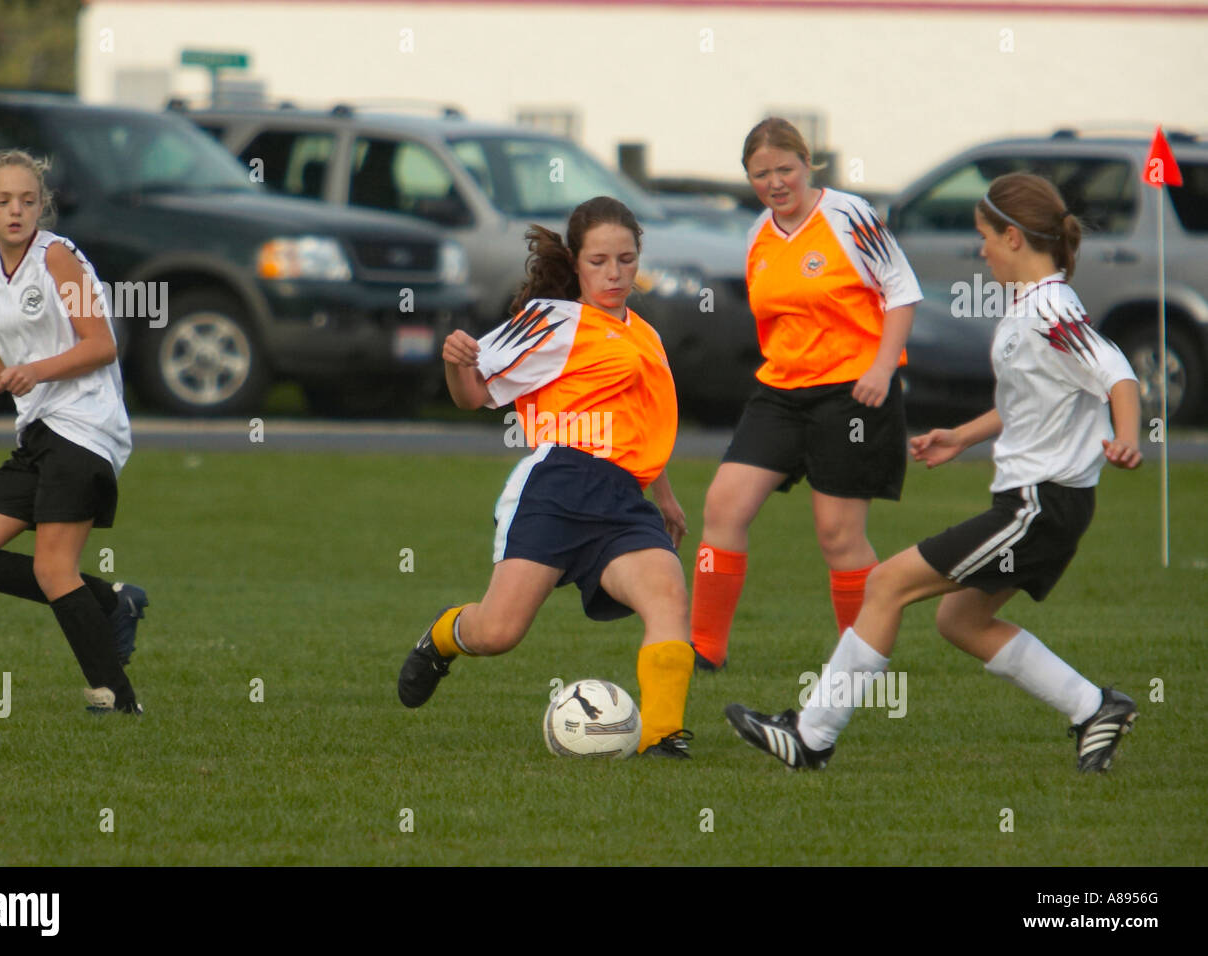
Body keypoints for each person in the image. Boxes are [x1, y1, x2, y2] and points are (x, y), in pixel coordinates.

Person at [725, 172, 1142, 772]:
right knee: (962, 620)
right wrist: (961, 437)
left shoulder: (1050, 307)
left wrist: (1127, 437)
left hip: (1036, 506)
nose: (983, 250)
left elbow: (1116, 372)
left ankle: (811, 735)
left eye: (986, 237)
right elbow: (1034, 398)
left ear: (1016, 239)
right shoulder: (1034, 305)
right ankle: (1093, 706)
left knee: (885, 583)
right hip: (1039, 503)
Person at [396, 196, 696, 757]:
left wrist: (666, 495)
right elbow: (473, 395)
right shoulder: (552, 321)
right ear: (577, 264)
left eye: (626, 260)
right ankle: (443, 636)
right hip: (557, 487)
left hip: (623, 498)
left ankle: (661, 736)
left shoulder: (646, 336)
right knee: (498, 633)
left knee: (668, 596)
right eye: (600, 261)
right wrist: (455, 361)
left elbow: (640, 426)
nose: (614, 273)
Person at [0, 149, 148, 714]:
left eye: (27, 200)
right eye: (2, 201)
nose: (16, 211)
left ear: (42, 205)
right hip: (39, 431)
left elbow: (101, 344)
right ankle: (113, 604)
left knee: (51, 567)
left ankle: (117, 699)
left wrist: (36, 371)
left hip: (87, 428)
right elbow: (2, 364)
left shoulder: (57, 258)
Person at [689, 117, 921, 671]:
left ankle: (861, 660)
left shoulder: (849, 215)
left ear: (808, 163)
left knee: (838, 535)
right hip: (782, 390)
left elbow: (902, 293)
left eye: (785, 169)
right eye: (760, 174)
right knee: (724, 503)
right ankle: (702, 649)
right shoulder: (757, 235)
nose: (775, 182)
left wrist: (882, 369)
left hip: (853, 392)